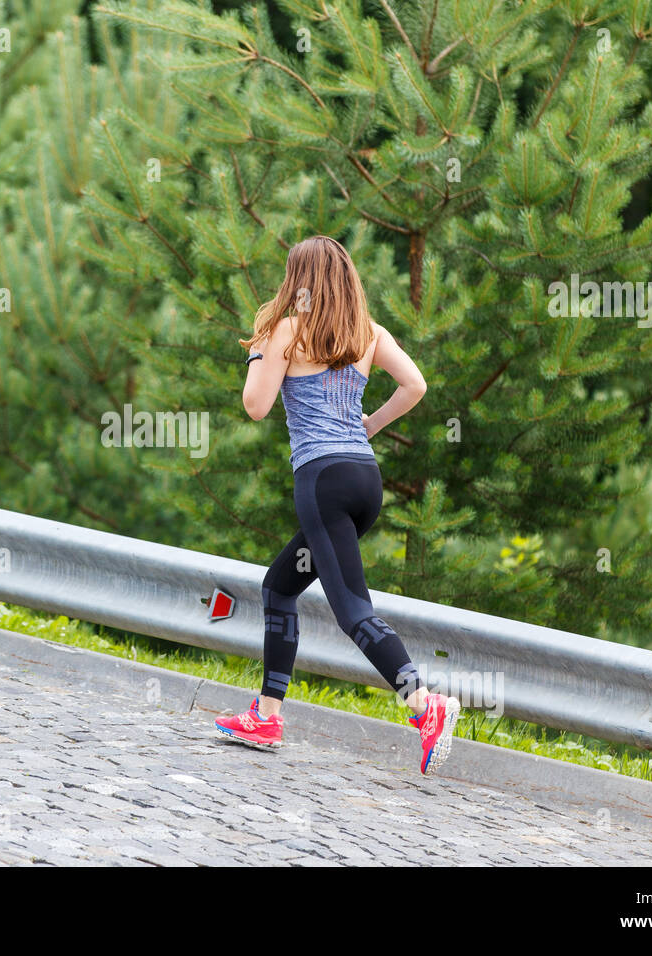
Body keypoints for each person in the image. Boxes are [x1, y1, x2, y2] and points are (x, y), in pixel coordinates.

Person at [214, 235, 461, 776]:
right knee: (280, 588)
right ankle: (267, 715)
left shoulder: (287, 329)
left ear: (296, 280)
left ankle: (426, 704)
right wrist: (369, 425)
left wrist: (260, 345)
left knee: (352, 610)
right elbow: (414, 385)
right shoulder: (367, 334)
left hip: (322, 480)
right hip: (363, 481)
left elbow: (255, 406)